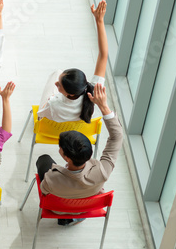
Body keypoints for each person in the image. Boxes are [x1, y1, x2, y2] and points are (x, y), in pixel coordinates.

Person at [36, 82, 123, 224]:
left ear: (66, 157)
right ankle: (74, 216)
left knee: (43, 159)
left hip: (58, 208)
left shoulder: (52, 178)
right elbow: (117, 137)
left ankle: (66, 216)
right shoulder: (102, 171)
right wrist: (104, 106)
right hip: (86, 207)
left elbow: (44, 191)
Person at [37, 0, 108, 123]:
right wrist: (99, 21)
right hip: (79, 134)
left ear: (70, 94)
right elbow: (103, 55)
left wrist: (51, 99)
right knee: (58, 74)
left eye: (59, 85)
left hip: (53, 129)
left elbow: (41, 116)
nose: (56, 84)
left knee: (56, 72)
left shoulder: (54, 103)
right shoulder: (95, 96)